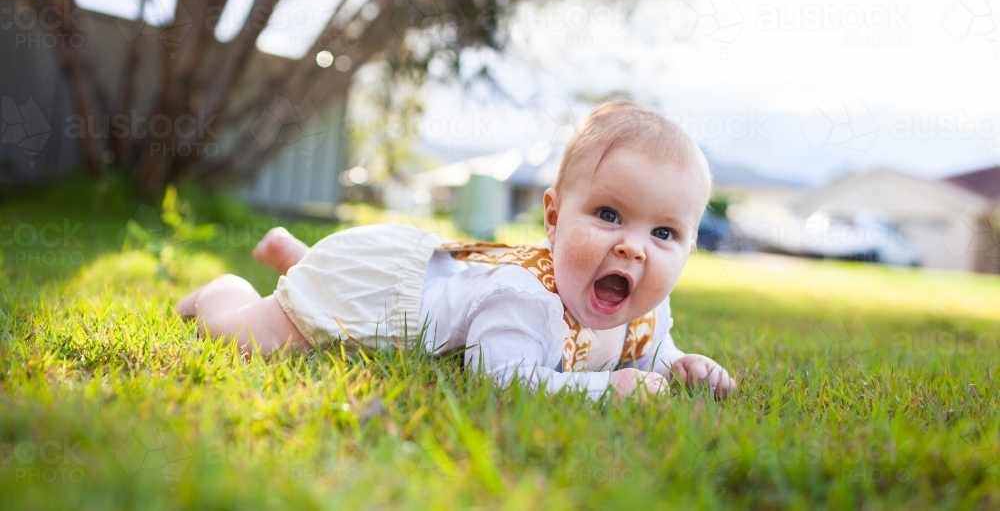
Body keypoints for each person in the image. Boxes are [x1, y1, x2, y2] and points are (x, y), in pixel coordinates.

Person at [177, 100, 736, 400]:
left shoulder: (646, 308)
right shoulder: (523, 300)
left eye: (664, 234)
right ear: (553, 217)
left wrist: (681, 364)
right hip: (382, 294)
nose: (634, 249)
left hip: (440, 275)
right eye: (609, 216)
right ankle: (226, 292)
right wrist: (605, 390)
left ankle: (297, 256)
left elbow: (644, 352)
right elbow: (502, 377)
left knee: (320, 280)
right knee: (255, 340)